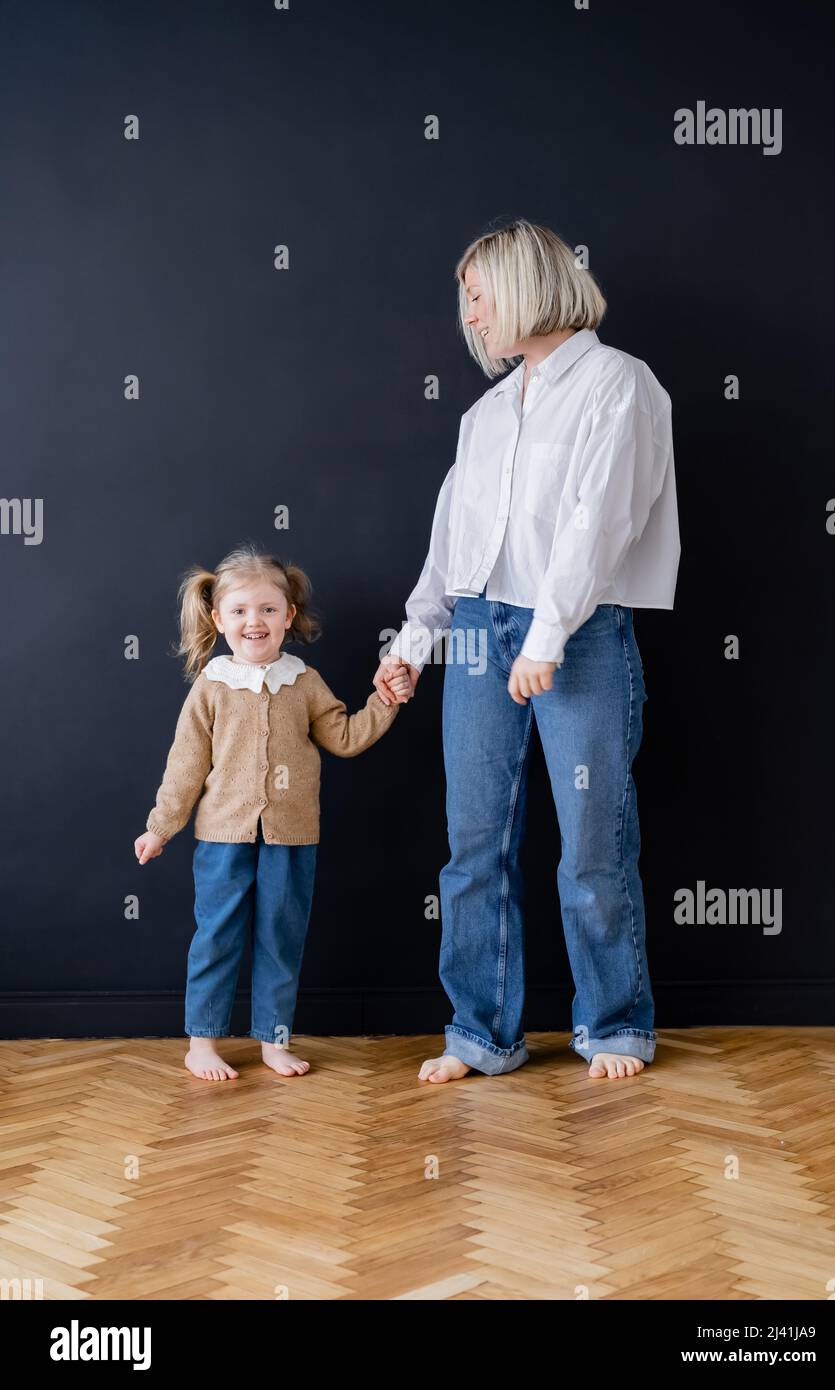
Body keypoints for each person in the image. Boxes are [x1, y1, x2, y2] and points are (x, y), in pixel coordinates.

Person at [373, 219, 680, 1084]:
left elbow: (601, 522)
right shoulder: (486, 413)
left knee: (592, 842)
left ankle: (614, 1024)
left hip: (576, 634)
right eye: (463, 300)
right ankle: (480, 1032)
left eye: (478, 294)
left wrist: (546, 637)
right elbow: (454, 539)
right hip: (477, 631)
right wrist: (416, 640)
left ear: (528, 284)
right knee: (472, 845)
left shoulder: (619, 384)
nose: (467, 315)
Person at [134, 543, 407, 1081]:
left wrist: (386, 702)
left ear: (289, 617)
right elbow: (185, 765)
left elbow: (345, 737)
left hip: (292, 836)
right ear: (219, 619)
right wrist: (160, 827)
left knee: (281, 937)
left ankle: (273, 1039)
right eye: (239, 611)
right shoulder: (212, 686)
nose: (253, 622)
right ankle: (203, 1042)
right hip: (222, 837)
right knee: (217, 936)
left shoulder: (303, 682)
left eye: (266, 610)